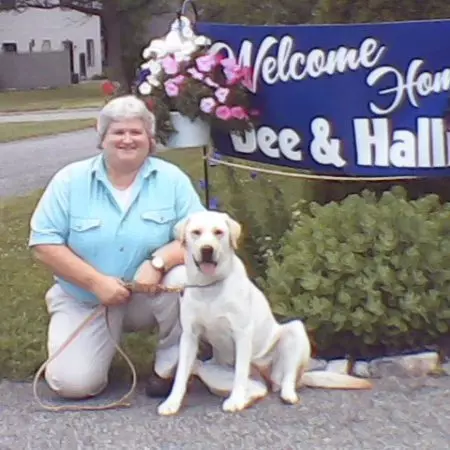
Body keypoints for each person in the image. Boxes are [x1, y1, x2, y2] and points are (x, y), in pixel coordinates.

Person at [28, 94, 206, 400]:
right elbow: (43, 243)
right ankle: (96, 352)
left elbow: (198, 236)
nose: (127, 139)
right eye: (118, 132)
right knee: (72, 384)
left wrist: (159, 263)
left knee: (182, 280)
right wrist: (95, 282)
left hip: (149, 294)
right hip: (87, 298)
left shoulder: (172, 180)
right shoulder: (69, 180)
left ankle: (171, 365)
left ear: (150, 139)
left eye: (136, 132)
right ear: (102, 138)